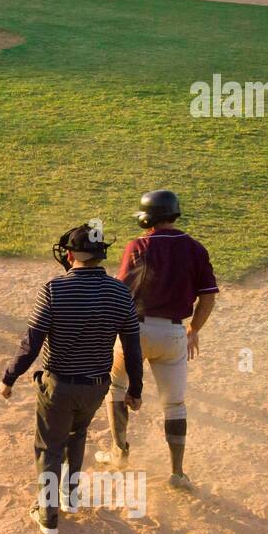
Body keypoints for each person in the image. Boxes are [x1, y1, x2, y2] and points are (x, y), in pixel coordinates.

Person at [0, 225, 144, 534]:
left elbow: (31, 343)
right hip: (97, 387)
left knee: (49, 446)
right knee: (77, 435)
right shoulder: (120, 292)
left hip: (59, 386)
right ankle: (70, 496)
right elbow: (133, 346)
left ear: (70, 255)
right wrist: (135, 389)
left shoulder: (54, 289)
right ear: (100, 254)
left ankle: (48, 514)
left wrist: (9, 378)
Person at [97, 190, 219, 491]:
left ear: (147, 218)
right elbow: (207, 298)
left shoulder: (139, 246)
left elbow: (122, 292)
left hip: (134, 331)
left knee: (117, 387)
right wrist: (193, 330)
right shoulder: (195, 248)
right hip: (173, 335)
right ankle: (177, 473)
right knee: (174, 404)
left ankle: (119, 453)